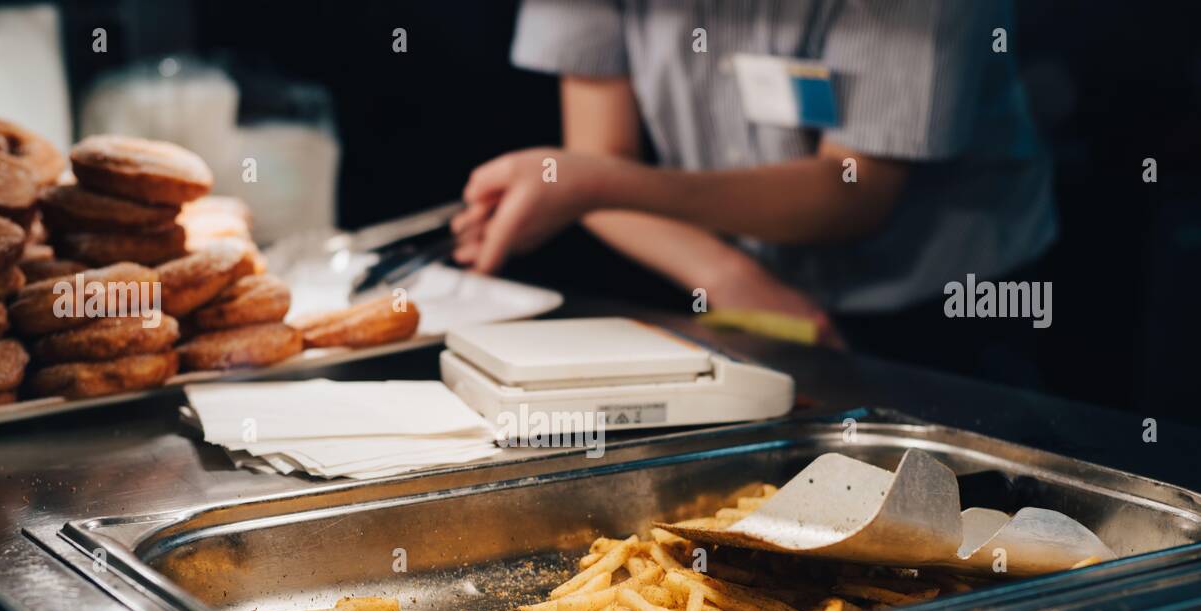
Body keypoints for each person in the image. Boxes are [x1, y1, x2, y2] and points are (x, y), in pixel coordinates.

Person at [452, 0, 1056, 365]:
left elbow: (854, 190)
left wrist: (592, 185)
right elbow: (598, 154)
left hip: (946, 303)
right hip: (740, 290)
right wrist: (726, 275)